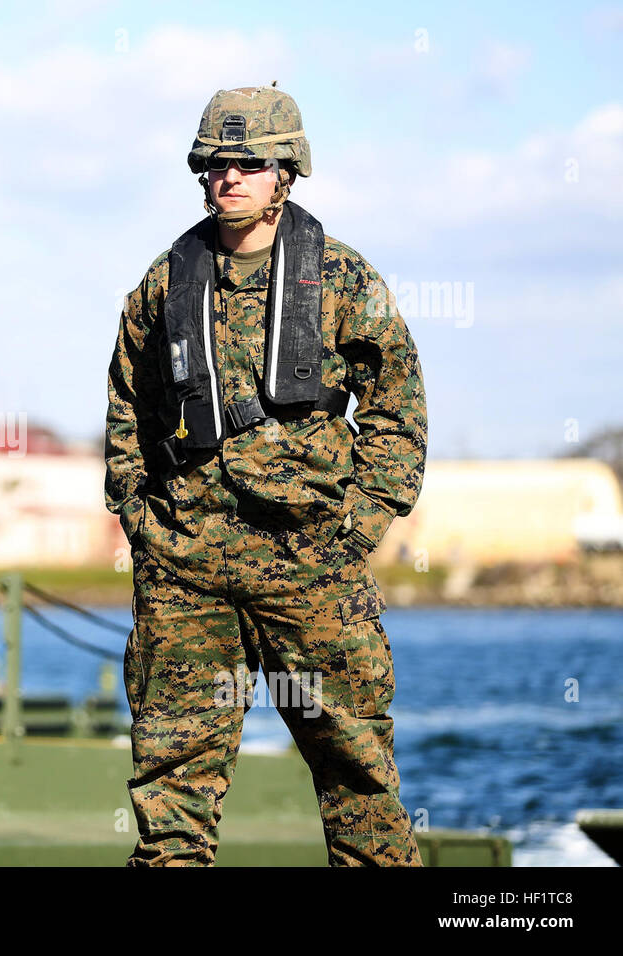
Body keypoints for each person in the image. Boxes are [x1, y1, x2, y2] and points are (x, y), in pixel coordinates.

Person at [105, 85, 427, 866]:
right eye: (216, 162)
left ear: (287, 172)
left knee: (359, 781)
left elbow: (396, 406)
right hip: (186, 569)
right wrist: (144, 524)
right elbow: (128, 414)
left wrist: (361, 521)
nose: (230, 177)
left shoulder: (342, 279)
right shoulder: (164, 285)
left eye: (251, 162)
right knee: (170, 796)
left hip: (309, 563)